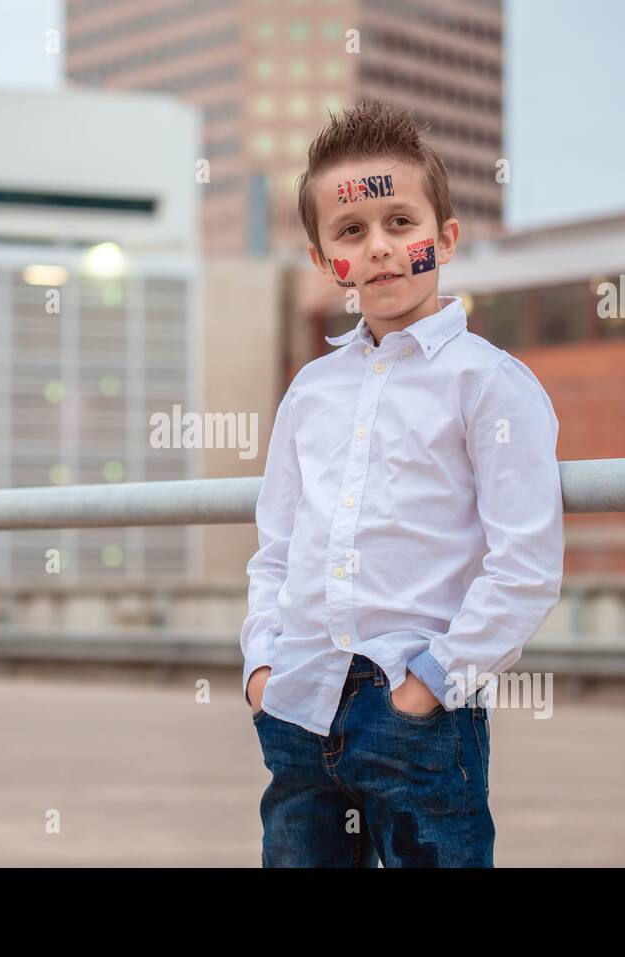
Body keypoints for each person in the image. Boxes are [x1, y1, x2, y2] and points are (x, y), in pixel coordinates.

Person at [242, 99, 564, 867]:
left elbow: (526, 562)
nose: (380, 248)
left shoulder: (490, 383)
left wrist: (432, 683)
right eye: (351, 231)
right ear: (326, 261)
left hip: (417, 713)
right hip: (298, 705)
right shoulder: (310, 390)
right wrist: (261, 664)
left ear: (445, 237)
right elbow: (274, 549)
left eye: (400, 222)